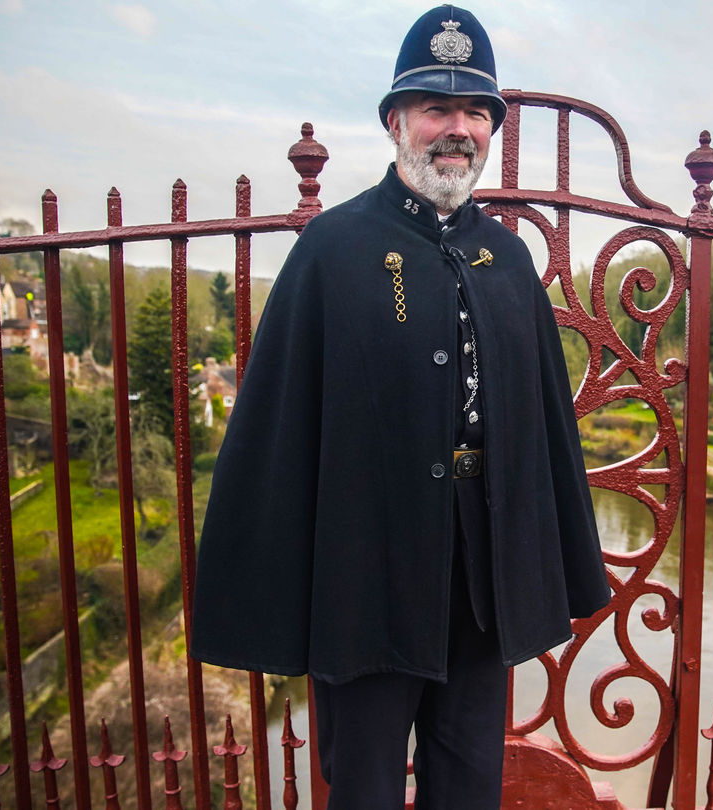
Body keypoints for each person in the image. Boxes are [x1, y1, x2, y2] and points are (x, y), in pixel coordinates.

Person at [189, 6, 611, 808]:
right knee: (366, 786)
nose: (458, 130)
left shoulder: (508, 257)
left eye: (476, 113)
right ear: (395, 122)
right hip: (363, 580)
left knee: (468, 780)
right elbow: (279, 428)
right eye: (437, 109)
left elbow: (544, 428)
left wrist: (553, 565)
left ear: (492, 130)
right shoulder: (333, 249)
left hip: (482, 580)